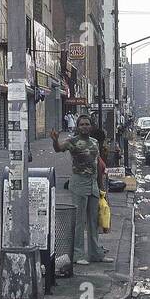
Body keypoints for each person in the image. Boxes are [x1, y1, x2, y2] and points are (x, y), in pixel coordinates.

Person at [51, 113, 109, 265]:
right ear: (77, 127)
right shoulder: (72, 141)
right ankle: (78, 255)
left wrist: (101, 188)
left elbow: (97, 165)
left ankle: (95, 253)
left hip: (93, 185)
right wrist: (55, 140)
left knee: (93, 221)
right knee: (79, 221)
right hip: (79, 184)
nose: (84, 126)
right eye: (82, 124)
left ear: (91, 126)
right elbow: (58, 149)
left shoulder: (95, 142)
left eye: (87, 124)